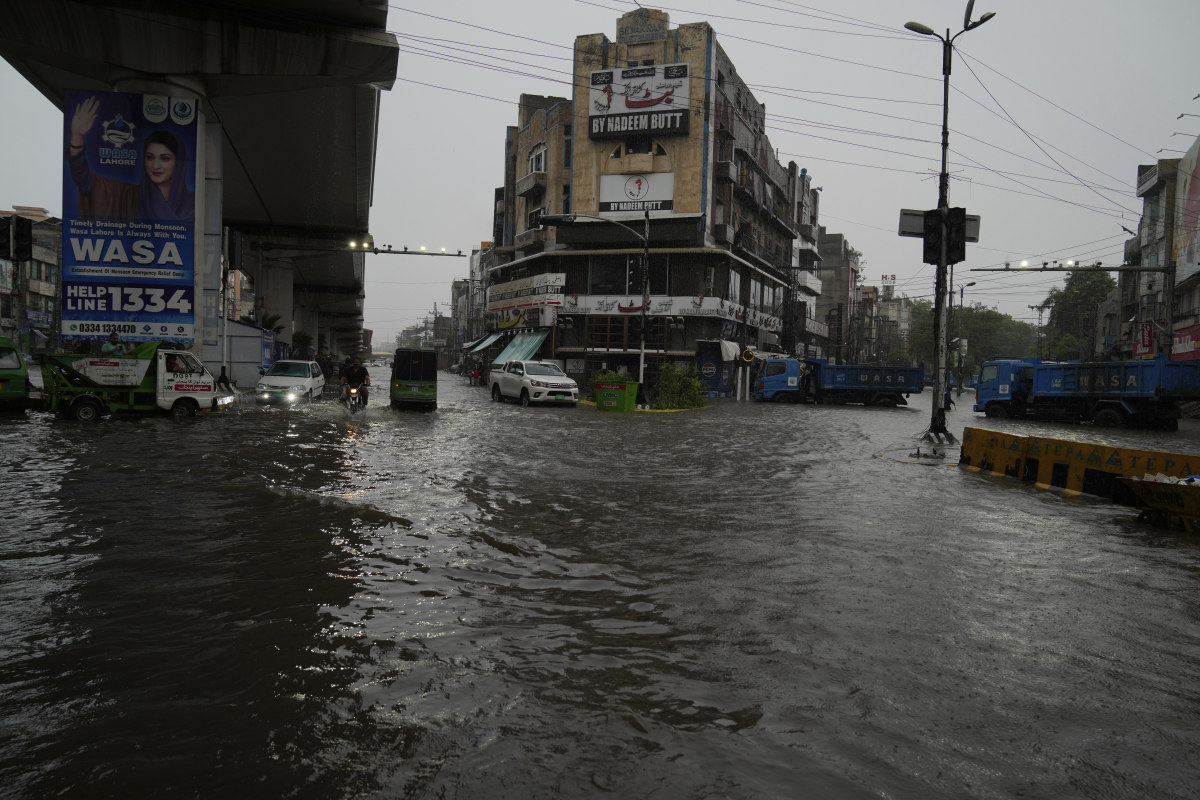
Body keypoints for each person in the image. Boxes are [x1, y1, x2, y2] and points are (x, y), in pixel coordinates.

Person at [66, 96, 195, 223]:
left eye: (165, 158)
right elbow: (84, 180)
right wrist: (77, 137)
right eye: (149, 157)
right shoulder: (127, 196)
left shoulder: (192, 203)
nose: (155, 165)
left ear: (179, 164)